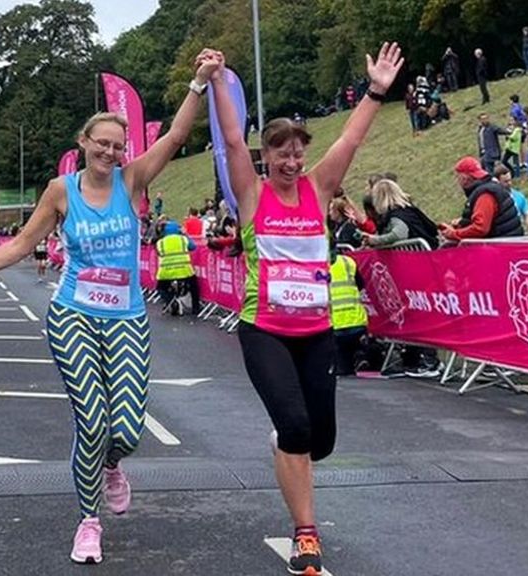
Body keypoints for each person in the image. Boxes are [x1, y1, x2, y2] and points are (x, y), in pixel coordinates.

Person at [0, 51, 220, 565]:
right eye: (101, 143)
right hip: (73, 314)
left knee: (127, 430)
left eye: (118, 145)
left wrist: (199, 83)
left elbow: (176, 137)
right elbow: (23, 244)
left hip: (128, 317)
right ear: (84, 144)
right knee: (91, 422)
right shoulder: (60, 191)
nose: (110, 152)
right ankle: (88, 522)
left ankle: (113, 464)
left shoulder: (131, 181)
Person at [212, 42, 404, 576]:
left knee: (320, 441)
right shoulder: (250, 195)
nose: (292, 162)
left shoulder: (319, 188)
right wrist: (216, 81)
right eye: (282, 154)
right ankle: (307, 535)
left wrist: (376, 91)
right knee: (296, 427)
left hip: (316, 331)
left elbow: (351, 137)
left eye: (298, 153)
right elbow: (231, 139)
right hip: (264, 330)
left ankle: (287, 443)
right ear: (266, 157)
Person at [361, 179, 441, 378]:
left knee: (421, 312)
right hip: (424, 268)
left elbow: (399, 234)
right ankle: (419, 357)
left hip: (418, 271)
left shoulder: (397, 216)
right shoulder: (411, 211)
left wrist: (374, 241)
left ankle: (428, 359)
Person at [439, 157, 524, 242]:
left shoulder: (485, 195)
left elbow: (480, 229)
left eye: (458, 176)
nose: (458, 181)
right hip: (509, 242)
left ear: (465, 178)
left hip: (501, 246)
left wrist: (454, 234)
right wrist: (462, 223)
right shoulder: (490, 187)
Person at [328, 249, 368, 377]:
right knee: (356, 345)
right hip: (356, 321)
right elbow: (361, 284)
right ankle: (360, 355)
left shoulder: (317, 265)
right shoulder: (347, 261)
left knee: (341, 360)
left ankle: (348, 364)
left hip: (334, 324)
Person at [155, 220, 200, 316]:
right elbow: (193, 247)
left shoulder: (160, 242)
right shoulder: (183, 239)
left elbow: (158, 253)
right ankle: (196, 308)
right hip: (184, 272)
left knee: (160, 288)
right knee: (194, 288)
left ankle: (169, 301)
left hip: (166, 274)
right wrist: (185, 234)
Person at [494, 165, 528, 235]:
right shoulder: (492, 199)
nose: (509, 183)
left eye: (510, 180)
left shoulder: (519, 196)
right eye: (505, 181)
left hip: (517, 234)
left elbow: (527, 214)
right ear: (497, 181)